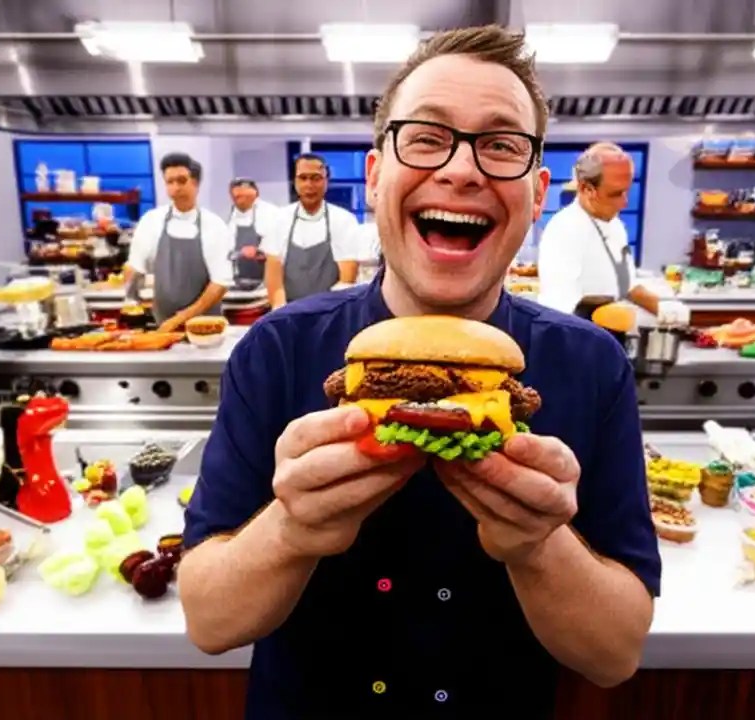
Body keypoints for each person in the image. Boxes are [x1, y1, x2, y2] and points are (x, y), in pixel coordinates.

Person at [179, 25, 659, 720]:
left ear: (536, 191)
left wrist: (538, 546)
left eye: (501, 146)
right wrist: (291, 530)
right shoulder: (276, 349)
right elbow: (209, 624)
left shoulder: (592, 365)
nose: (462, 170)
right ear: (375, 177)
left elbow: (614, 656)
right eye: (427, 137)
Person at [535, 143, 661, 317]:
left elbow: (628, 285)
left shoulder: (615, 227)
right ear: (586, 189)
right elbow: (560, 306)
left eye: (626, 192)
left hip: (610, 334)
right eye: (615, 194)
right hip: (576, 335)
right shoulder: (565, 230)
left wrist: (673, 313)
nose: (624, 203)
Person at [123, 152, 233, 331]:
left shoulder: (213, 225)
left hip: (205, 327)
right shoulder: (152, 221)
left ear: (195, 183)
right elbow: (135, 267)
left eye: (181, 181)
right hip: (161, 324)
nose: (175, 187)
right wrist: (130, 296)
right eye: (169, 182)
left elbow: (220, 284)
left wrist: (180, 319)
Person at [262, 154, 362, 308]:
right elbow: (274, 281)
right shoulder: (278, 219)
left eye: (316, 178)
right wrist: (282, 314)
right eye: (303, 178)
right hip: (289, 313)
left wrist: (323, 314)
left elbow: (347, 279)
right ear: (295, 182)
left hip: (331, 311)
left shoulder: (343, 220)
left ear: (326, 182)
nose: (309, 185)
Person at [227, 177, 278, 287]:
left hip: (267, 282)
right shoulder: (233, 214)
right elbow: (228, 247)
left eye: (242, 195)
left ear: (255, 194)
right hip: (240, 280)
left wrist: (259, 251)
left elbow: (279, 246)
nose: (237, 198)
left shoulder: (270, 212)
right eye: (235, 196)